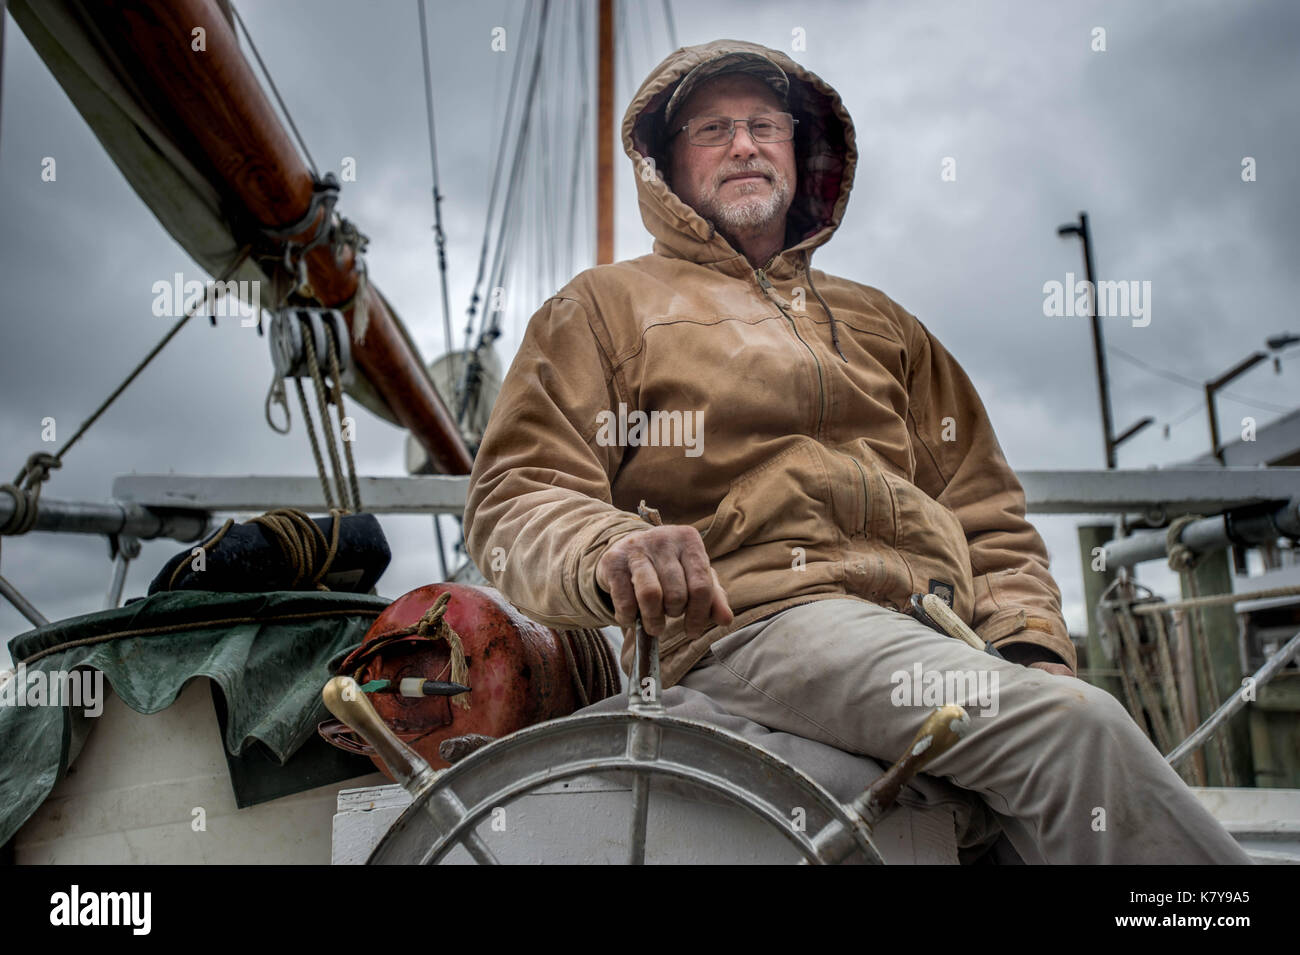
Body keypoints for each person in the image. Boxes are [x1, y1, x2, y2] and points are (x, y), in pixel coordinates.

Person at [464, 39, 1250, 864]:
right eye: (714, 129)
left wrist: (1027, 648)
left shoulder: (887, 325)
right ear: (666, 164)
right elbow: (519, 491)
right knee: (1080, 732)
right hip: (754, 624)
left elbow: (986, 510)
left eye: (765, 127)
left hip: (930, 633)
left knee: (1031, 759)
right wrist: (610, 547)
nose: (743, 145)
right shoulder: (604, 308)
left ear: (802, 158)